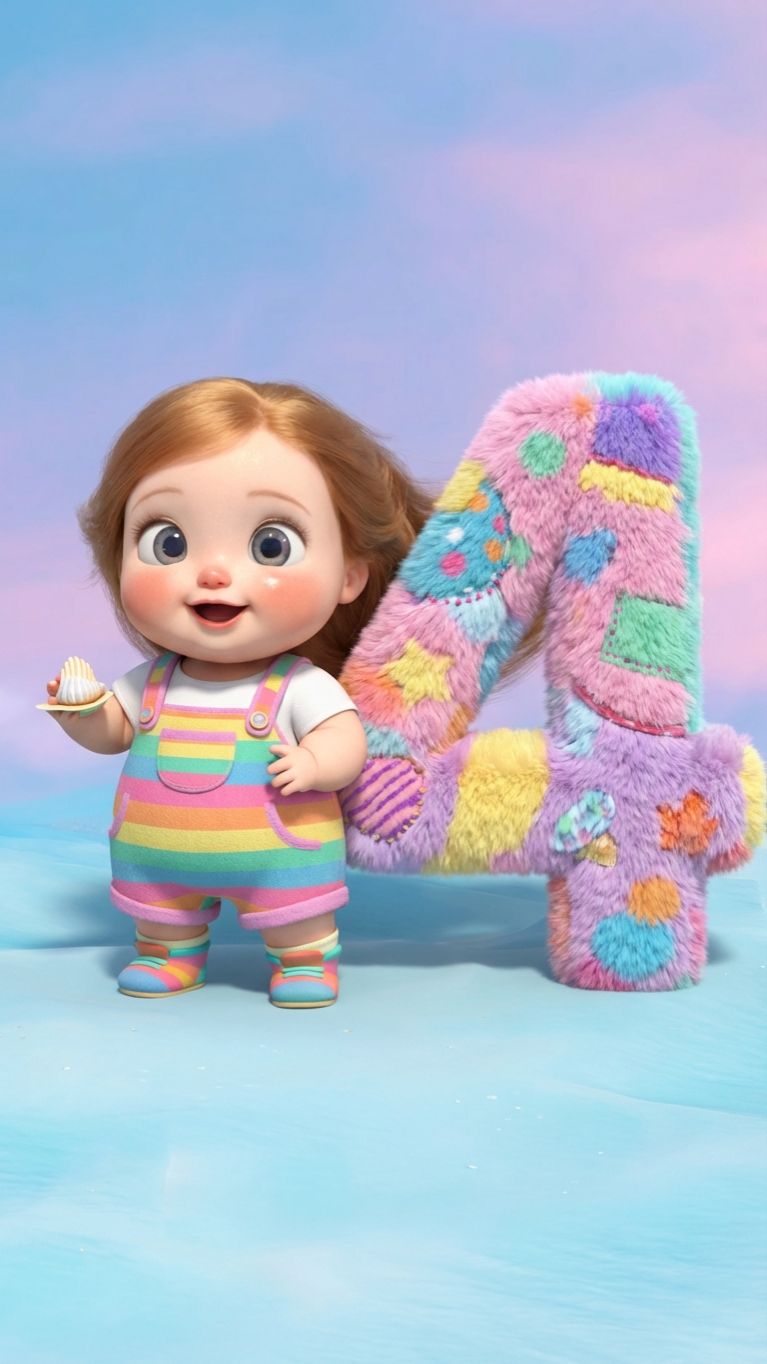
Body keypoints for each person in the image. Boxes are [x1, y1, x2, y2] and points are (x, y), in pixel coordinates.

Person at [44, 378, 433, 1007]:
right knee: (161, 912)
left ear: (350, 574)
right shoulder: (152, 683)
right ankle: (167, 952)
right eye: (168, 542)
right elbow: (114, 732)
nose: (213, 573)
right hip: (160, 854)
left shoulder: (298, 686)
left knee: (296, 910)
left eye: (270, 545)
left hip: (281, 850)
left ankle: (304, 960)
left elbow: (344, 740)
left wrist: (315, 764)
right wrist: (82, 712)